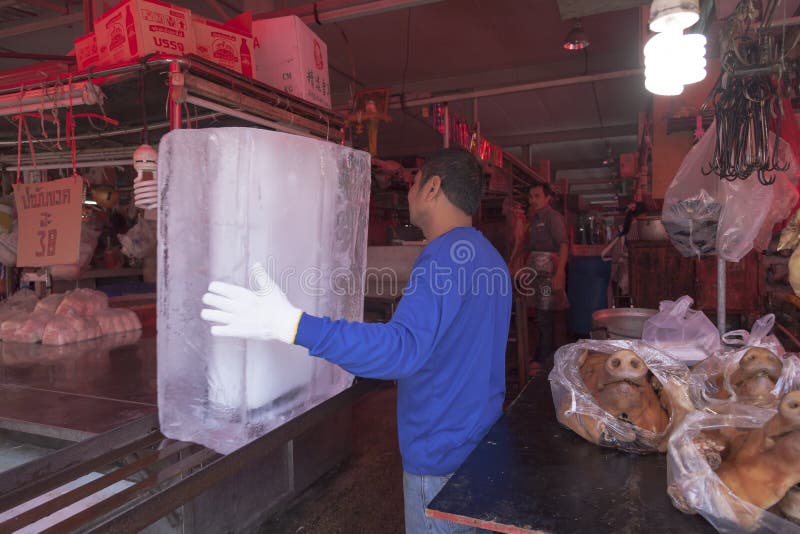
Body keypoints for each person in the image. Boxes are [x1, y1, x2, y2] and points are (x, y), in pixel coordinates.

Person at [200, 148, 512, 534]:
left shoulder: (443, 257)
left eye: (414, 183)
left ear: (433, 187)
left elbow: (401, 350)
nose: (408, 193)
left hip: (441, 460)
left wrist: (292, 325)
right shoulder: (490, 260)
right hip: (481, 448)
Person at [521, 183, 569, 372]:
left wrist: (559, 273)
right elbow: (526, 246)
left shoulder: (553, 217)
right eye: (531, 197)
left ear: (547, 198)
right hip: (536, 275)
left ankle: (544, 359)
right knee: (540, 316)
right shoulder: (533, 219)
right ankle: (542, 355)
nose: (533, 200)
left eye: (537, 196)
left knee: (545, 315)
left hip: (549, 276)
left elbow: (563, 245)